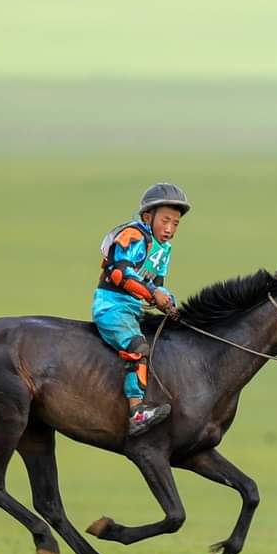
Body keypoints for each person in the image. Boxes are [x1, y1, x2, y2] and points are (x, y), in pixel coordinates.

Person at [93, 183, 189, 435]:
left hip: (134, 308)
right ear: (147, 217)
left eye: (176, 224)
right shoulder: (132, 236)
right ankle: (136, 411)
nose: (169, 229)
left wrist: (169, 302)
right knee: (138, 346)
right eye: (165, 221)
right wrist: (152, 294)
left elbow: (158, 283)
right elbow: (119, 273)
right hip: (112, 306)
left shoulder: (164, 249)